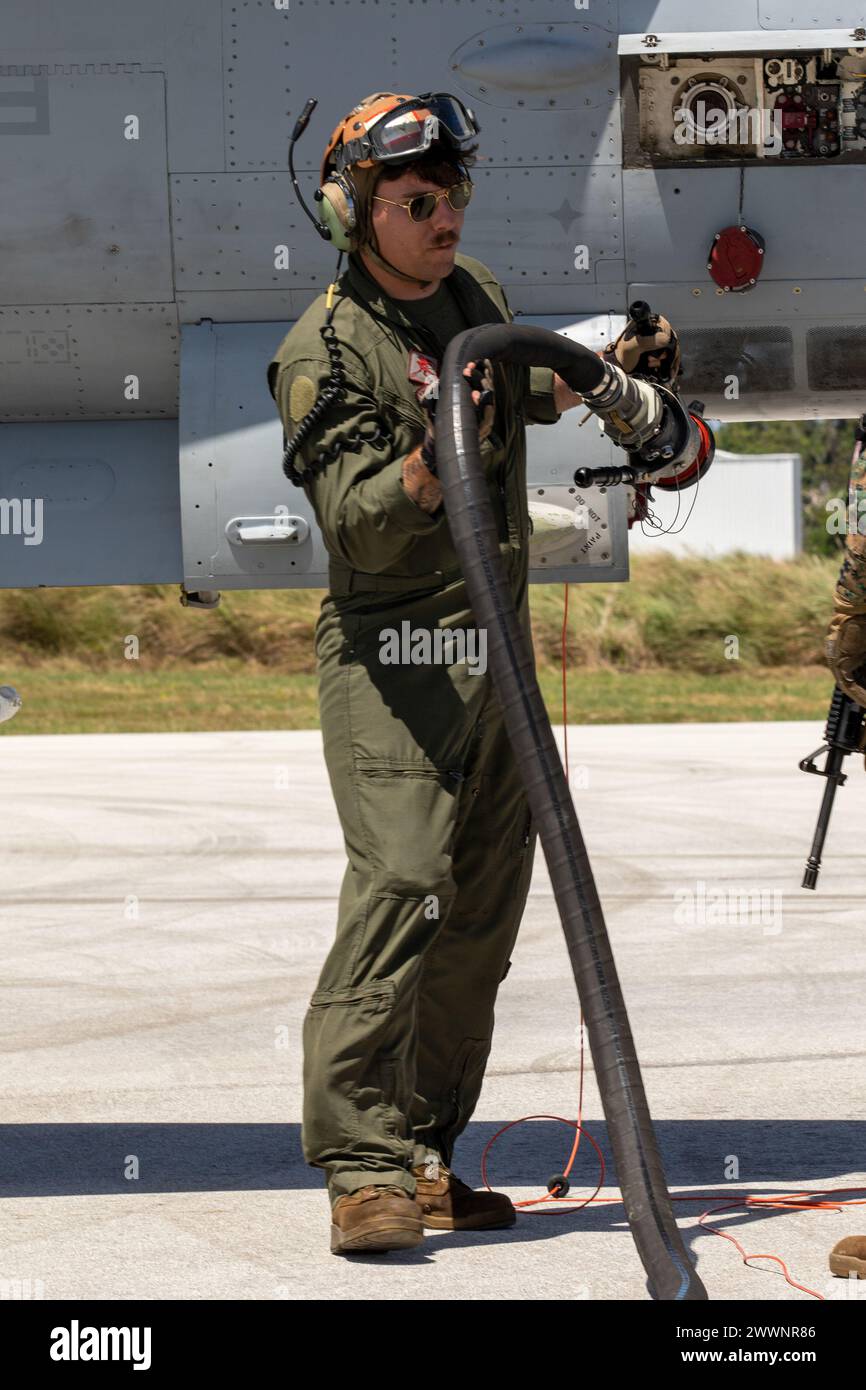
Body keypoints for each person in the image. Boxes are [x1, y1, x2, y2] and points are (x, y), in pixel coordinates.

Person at [267, 91, 673, 1255]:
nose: (444, 214)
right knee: (400, 885)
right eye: (418, 199)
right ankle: (357, 1164)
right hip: (396, 661)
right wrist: (424, 466)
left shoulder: (470, 294)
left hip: (492, 652)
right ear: (355, 209)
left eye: (454, 193)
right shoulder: (324, 349)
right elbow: (353, 524)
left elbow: (515, 386)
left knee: (478, 912)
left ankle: (425, 1155)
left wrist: (599, 369)